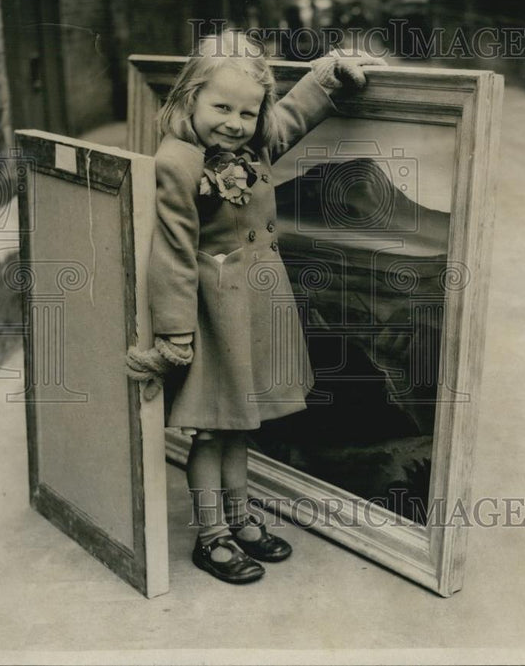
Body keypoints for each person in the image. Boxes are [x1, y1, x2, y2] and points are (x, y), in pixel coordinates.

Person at [126, 31, 385, 584]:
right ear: (190, 98)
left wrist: (326, 75)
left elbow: (289, 117)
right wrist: (175, 334)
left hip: (256, 307)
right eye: (221, 108)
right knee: (211, 431)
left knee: (239, 427)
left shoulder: (254, 146)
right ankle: (211, 534)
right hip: (212, 318)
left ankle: (240, 519)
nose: (235, 123)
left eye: (247, 112)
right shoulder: (177, 162)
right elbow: (171, 253)